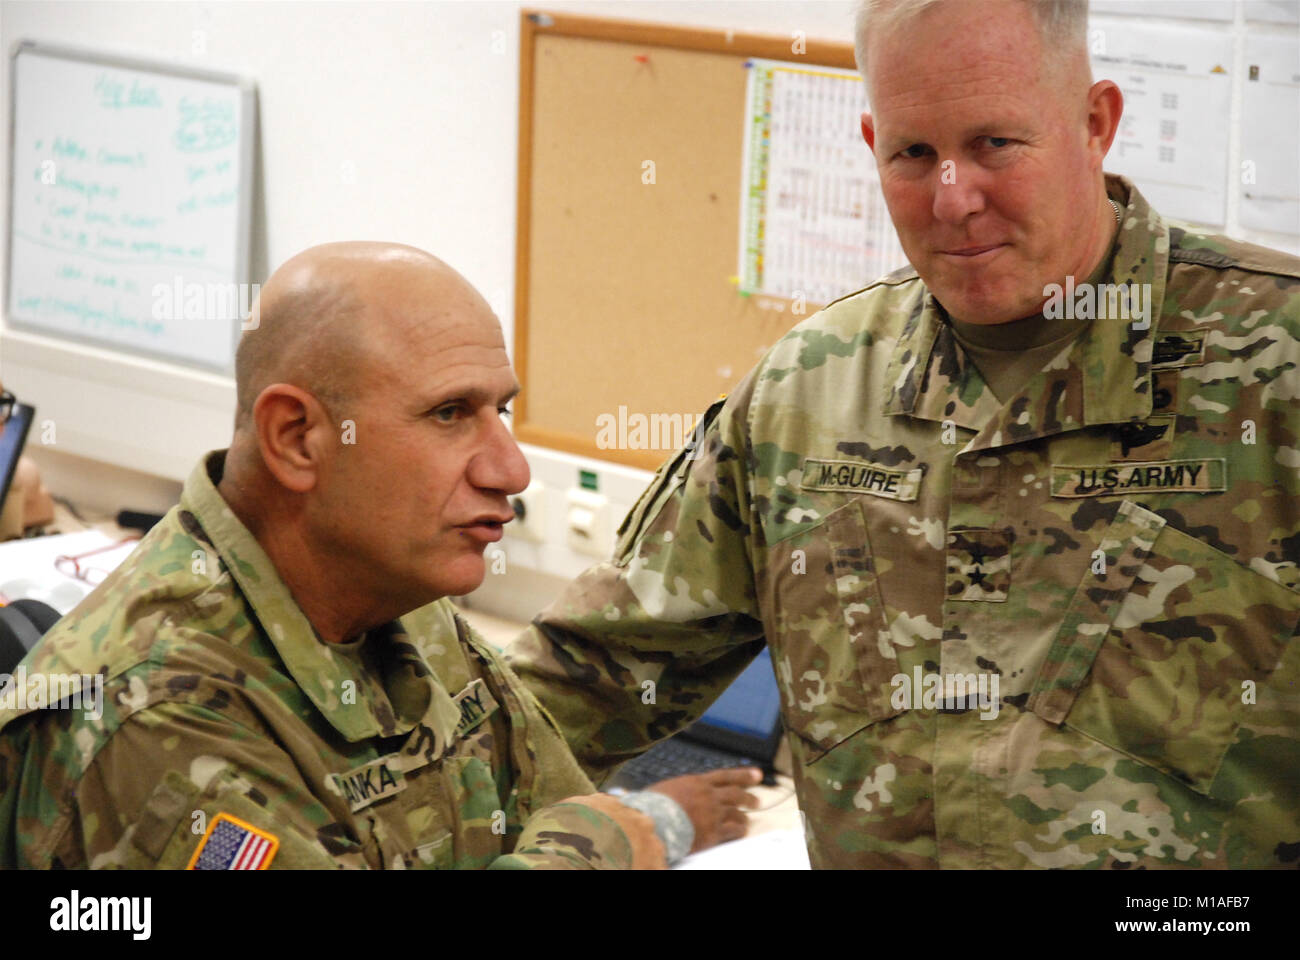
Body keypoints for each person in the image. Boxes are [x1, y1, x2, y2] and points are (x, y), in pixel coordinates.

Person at [507, 0, 1300, 869]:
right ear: (871, 143)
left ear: (1094, 122)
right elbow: (590, 679)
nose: (953, 199)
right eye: (913, 154)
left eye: (996, 143)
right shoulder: (809, 391)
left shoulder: (1272, 364)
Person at [0, 242, 754, 869]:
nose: (512, 471)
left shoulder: (397, 591)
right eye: (450, 413)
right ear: (297, 438)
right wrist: (611, 845)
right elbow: (580, 825)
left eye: (503, 411)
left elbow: (545, 798)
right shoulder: (155, 715)